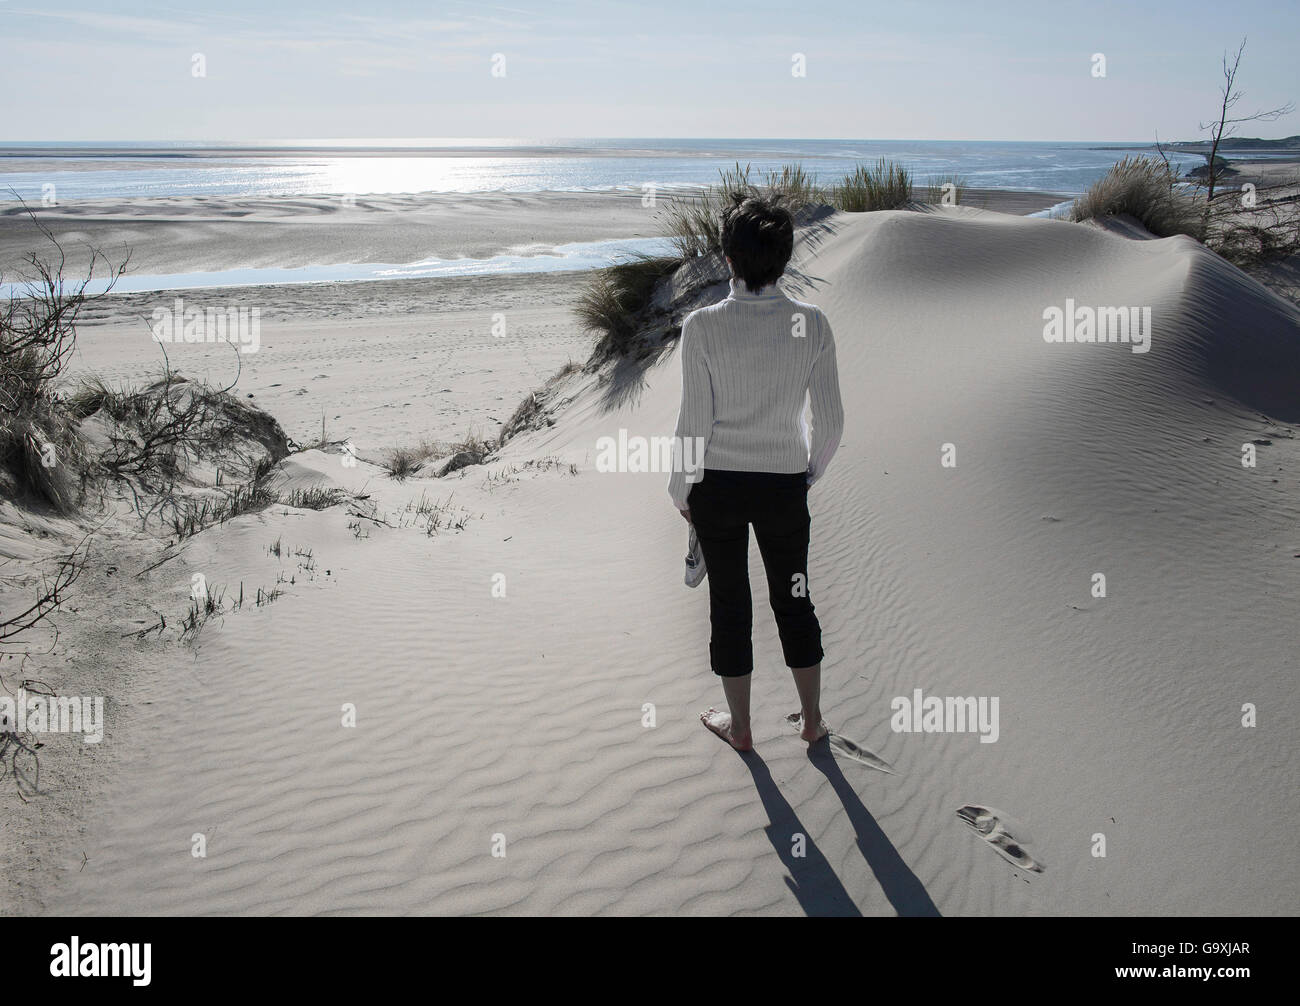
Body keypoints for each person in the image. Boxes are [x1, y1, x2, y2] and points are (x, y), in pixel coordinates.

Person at [667, 195, 844, 752]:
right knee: (795, 598)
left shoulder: (702, 328)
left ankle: (741, 729)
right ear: (784, 258)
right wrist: (806, 474)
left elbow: (692, 423)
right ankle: (812, 721)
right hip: (783, 485)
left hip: (717, 486)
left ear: (728, 259)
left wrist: (681, 491)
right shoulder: (811, 324)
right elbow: (832, 421)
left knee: (730, 602)